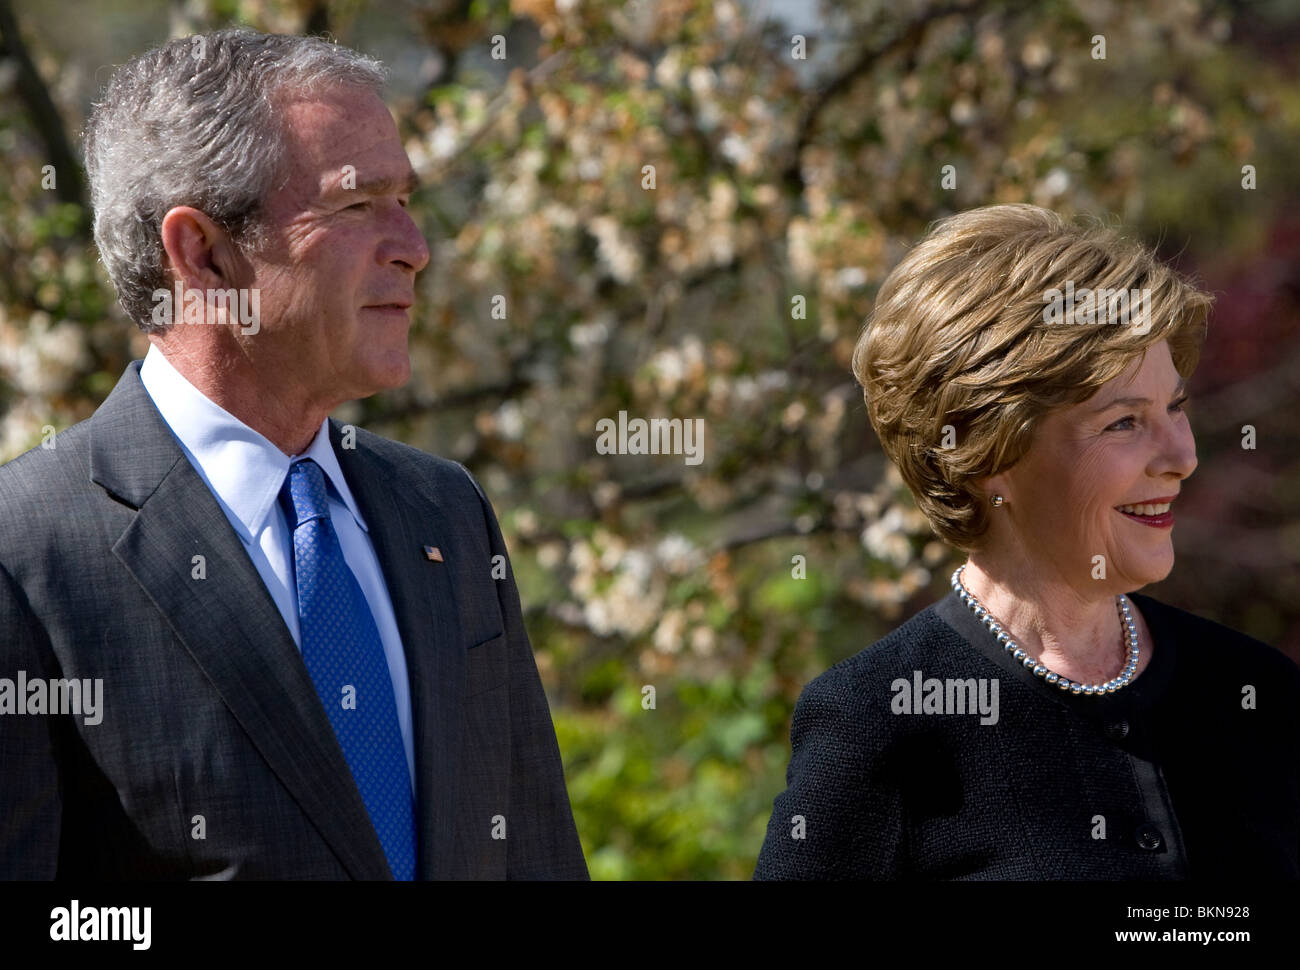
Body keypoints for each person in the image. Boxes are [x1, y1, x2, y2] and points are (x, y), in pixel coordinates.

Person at [0, 28, 587, 880]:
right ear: (201, 251)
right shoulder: (27, 554)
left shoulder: (446, 514)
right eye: (357, 206)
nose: (414, 247)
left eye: (406, 201)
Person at [753, 203, 1300, 879]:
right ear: (989, 455)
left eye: (1176, 408)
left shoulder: (1256, 691)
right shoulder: (878, 720)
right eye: (1124, 423)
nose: (1181, 456)